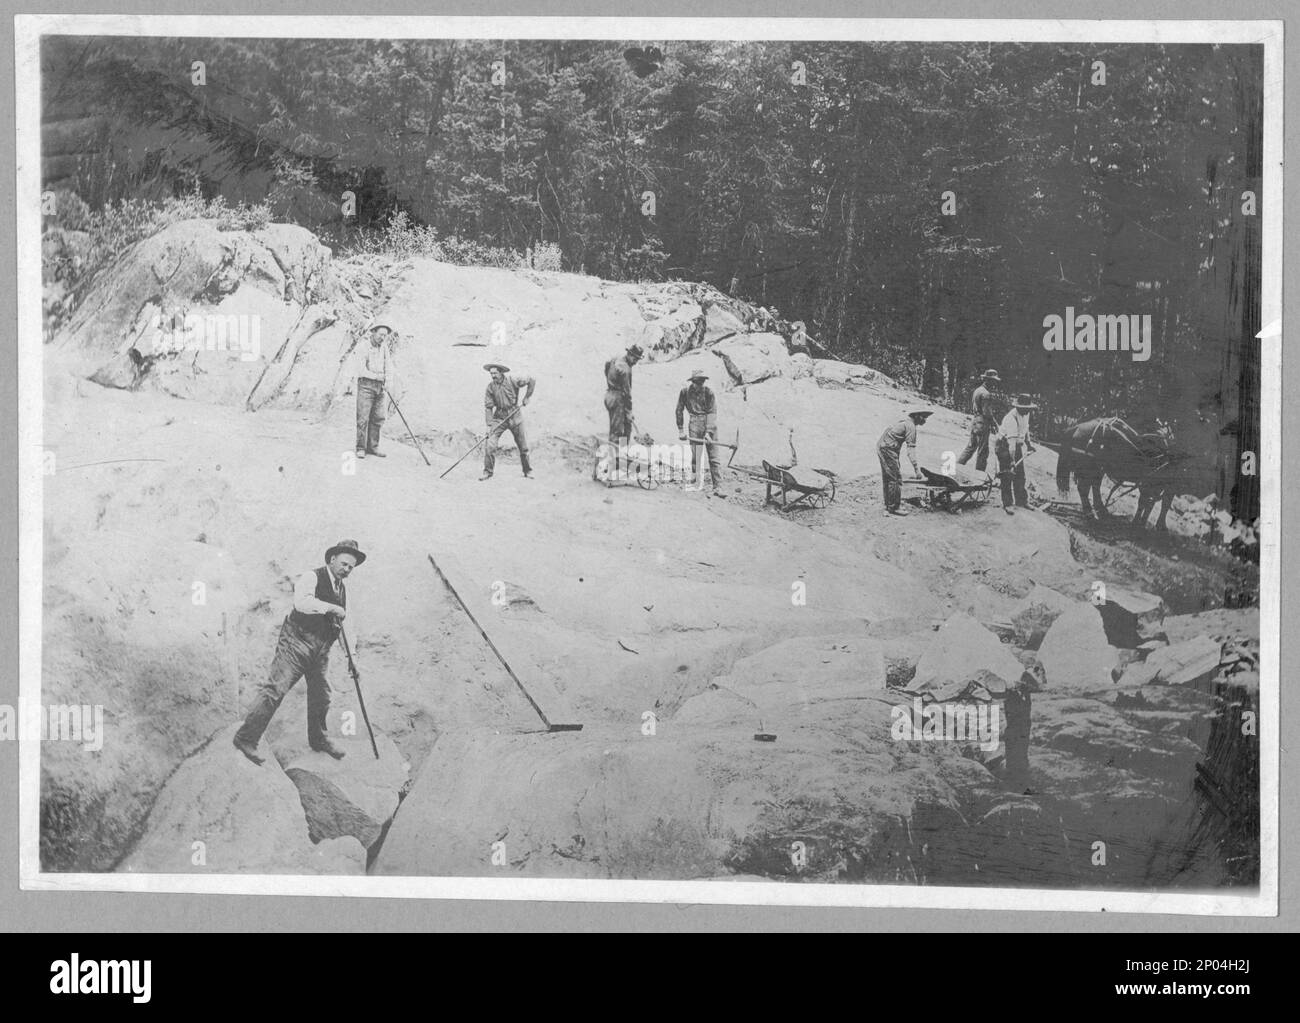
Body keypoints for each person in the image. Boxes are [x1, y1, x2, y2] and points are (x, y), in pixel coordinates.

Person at [233, 539, 366, 765]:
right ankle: (246, 738)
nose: (346, 570)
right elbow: (302, 603)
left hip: (321, 649)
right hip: (296, 642)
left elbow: (346, 624)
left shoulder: (342, 590)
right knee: (276, 688)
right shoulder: (312, 577)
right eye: (344, 564)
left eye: (351, 568)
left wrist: (352, 659)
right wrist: (330, 608)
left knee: (322, 695)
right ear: (332, 559)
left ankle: (318, 739)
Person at [354, 322, 402, 459]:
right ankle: (360, 448)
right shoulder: (363, 347)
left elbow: (389, 366)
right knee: (363, 418)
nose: (383, 338)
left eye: (385, 336)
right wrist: (376, 377)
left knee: (378, 417)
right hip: (366, 385)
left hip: (380, 387)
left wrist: (388, 381)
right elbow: (360, 370)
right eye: (381, 335)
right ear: (373, 332)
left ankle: (373, 447)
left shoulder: (384, 347)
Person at [480, 363, 536, 480]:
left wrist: (527, 397)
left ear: (501, 372)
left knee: (523, 446)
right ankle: (488, 472)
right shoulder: (490, 387)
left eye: (495, 373)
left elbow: (532, 379)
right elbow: (488, 407)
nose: (493, 376)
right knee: (490, 444)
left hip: (515, 415)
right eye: (491, 373)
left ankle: (528, 470)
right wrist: (489, 426)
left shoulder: (513, 381)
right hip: (499, 417)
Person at [676, 371, 724, 497]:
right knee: (696, 455)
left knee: (714, 457)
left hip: (709, 422)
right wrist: (680, 430)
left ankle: (718, 486)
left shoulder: (709, 392)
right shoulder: (685, 392)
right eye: (697, 382)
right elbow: (679, 410)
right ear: (692, 382)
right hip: (694, 423)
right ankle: (695, 482)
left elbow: (712, 413)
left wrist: (709, 432)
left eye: (702, 382)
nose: (700, 385)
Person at [878, 410, 932, 516]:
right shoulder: (911, 426)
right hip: (888, 449)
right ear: (916, 416)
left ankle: (888, 504)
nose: (925, 420)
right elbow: (910, 450)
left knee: (888, 477)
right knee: (896, 478)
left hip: (882, 446)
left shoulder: (904, 422)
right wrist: (917, 470)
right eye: (923, 417)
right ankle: (894, 507)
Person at [996, 394, 1038, 514]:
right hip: (1004, 446)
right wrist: (1012, 461)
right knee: (1007, 475)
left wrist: (1028, 444)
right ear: (1019, 407)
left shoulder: (1026, 414)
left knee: (1020, 475)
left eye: (1029, 408)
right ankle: (1007, 503)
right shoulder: (1011, 418)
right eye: (1025, 408)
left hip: (1016, 445)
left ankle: (1021, 500)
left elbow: (1025, 429)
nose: (1028, 411)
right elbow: (1011, 445)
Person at [957, 369, 1001, 472]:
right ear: (988, 380)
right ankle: (979, 473)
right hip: (983, 423)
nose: (994, 384)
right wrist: (994, 424)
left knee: (971, 447)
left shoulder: (978, 390)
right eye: (993, 381)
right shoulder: (986, 394)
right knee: (983, 450)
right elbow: (987, 413)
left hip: (975, 421)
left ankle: (957, 466)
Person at [604, 344, 643, 445]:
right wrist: (629, 411)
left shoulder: (615, 359)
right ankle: (616, 453)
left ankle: (622, 450)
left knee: (624, 427)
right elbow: (627, 393)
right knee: (618, 431)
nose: (635, 362)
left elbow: (606, 366)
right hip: (618, 399)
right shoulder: (625, 369)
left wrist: (611, 382)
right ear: (629, 355)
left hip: (609, 395)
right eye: (635, 359)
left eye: (637, 359)